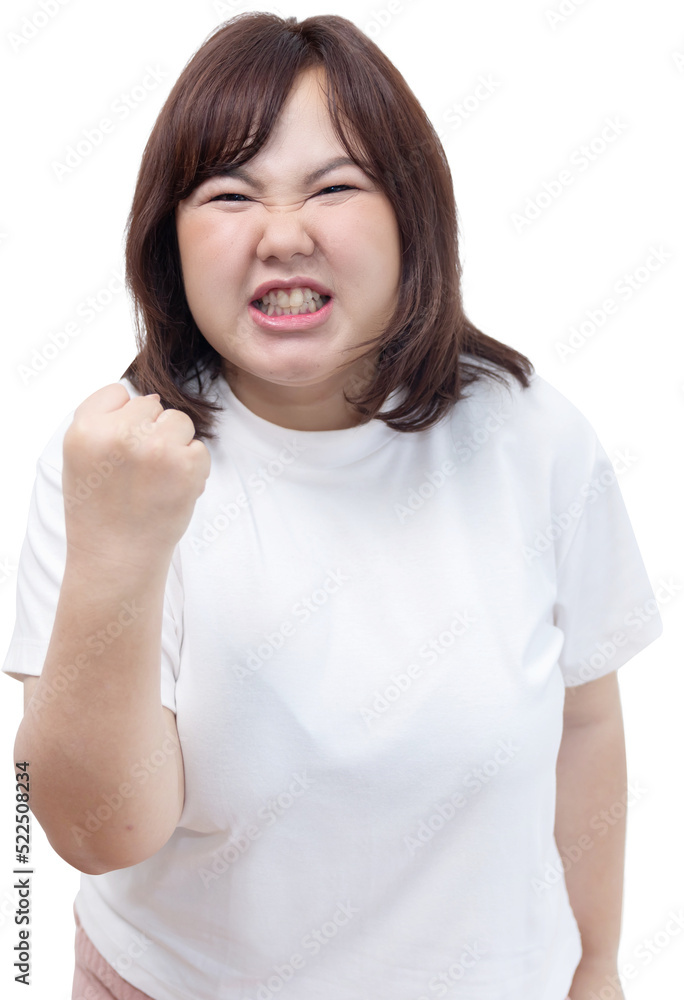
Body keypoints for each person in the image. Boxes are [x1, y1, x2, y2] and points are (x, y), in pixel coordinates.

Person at [2, 13, 662, 1000]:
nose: (282, 233)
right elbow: (96, 833)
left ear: (411, 216)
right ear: (169, 241)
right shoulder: (115, 461)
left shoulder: (534, 438)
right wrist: (116, 554)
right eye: (229, 195)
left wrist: (599, 964)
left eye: (334, 187)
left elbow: (586, 727)